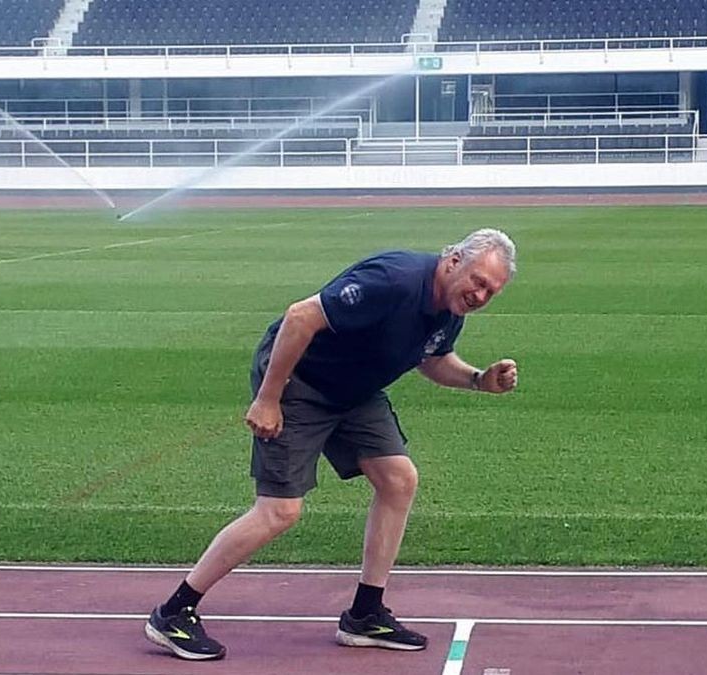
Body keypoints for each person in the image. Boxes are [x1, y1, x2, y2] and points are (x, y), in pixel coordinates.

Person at [144, 228, 520, 661]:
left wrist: (477, 380)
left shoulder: (449, 309)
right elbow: (301, 316)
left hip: (352, 391)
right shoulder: (394, 280)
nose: (480, 294)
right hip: (299, 380)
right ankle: (173, 613)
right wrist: (268, 398)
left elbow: (432, 358)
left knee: (399, 480)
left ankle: (365, 614)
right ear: (453, 260)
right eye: (478, 280)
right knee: (279, 511)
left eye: (490, 291)